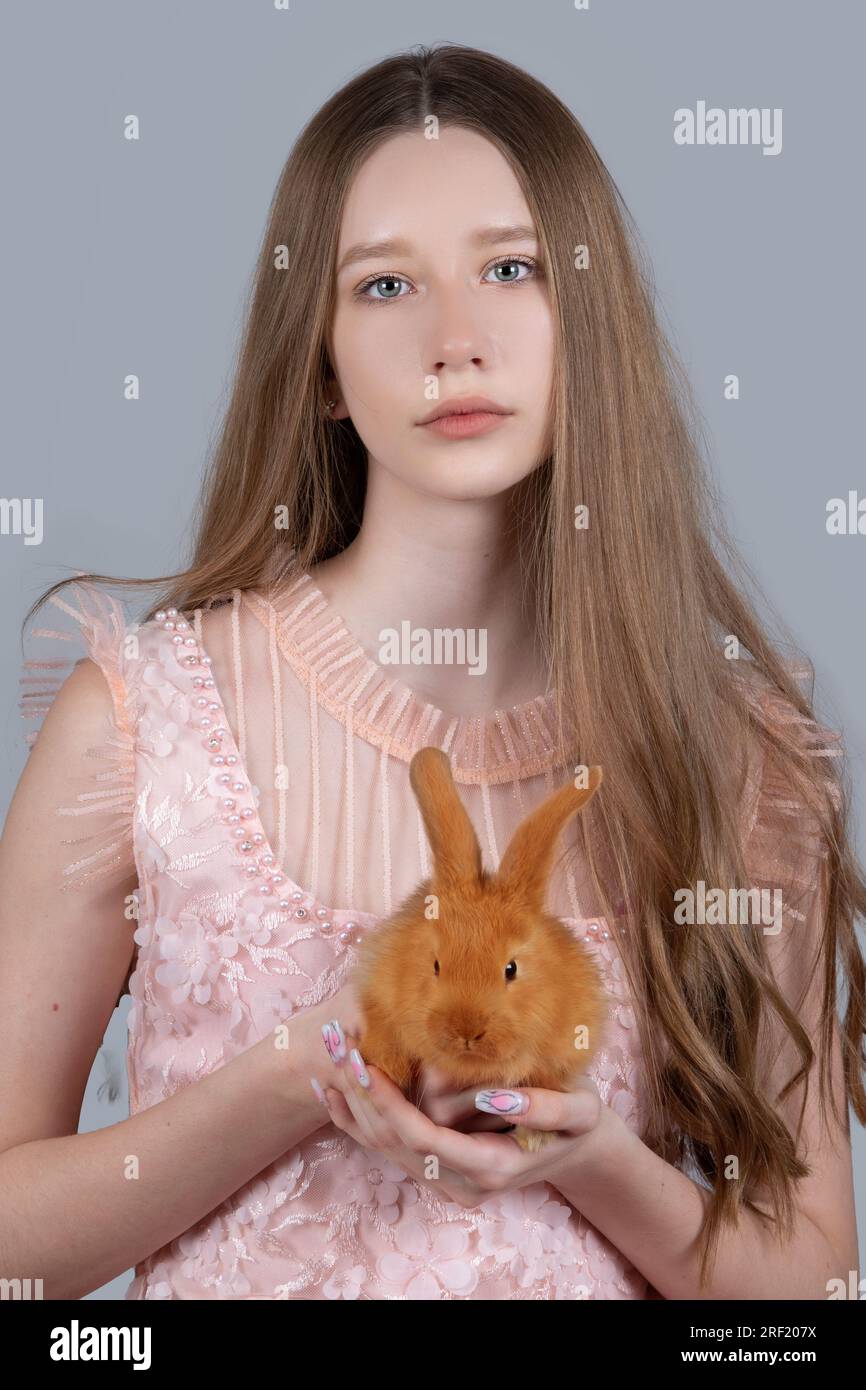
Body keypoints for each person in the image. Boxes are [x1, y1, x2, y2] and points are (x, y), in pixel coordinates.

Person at [2, 42, 863, 1301]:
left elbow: (809, 1288)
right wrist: (297, 1081)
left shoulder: (739, 759)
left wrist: (593, 1161)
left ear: (591, 319)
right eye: (386, 284)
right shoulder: (141, 727)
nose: (455, 339)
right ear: (320, 365)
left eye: (510, 269)